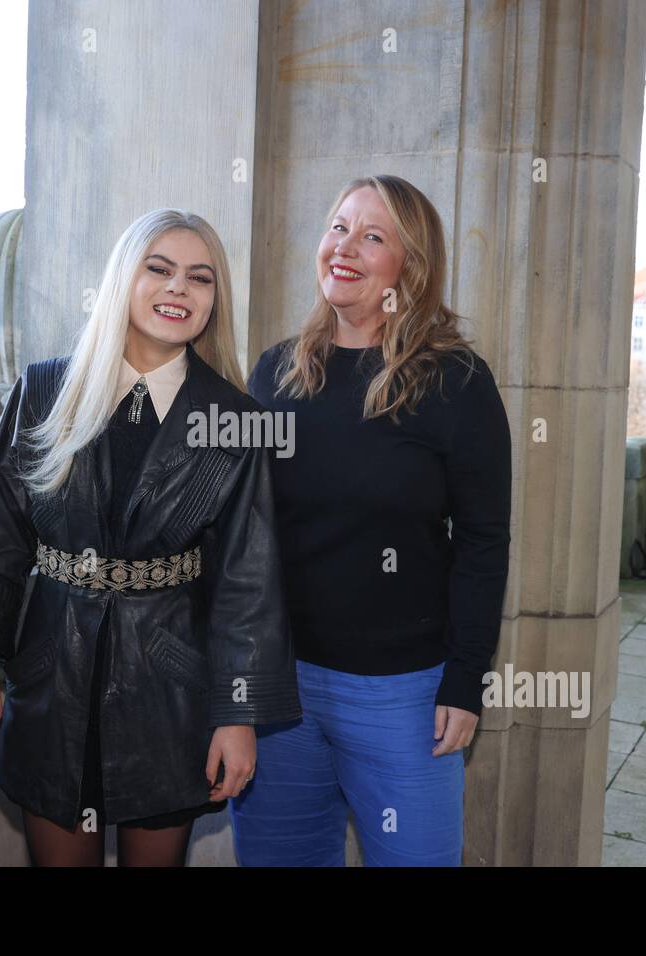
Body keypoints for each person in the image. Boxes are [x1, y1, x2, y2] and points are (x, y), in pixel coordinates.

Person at [0, 208, 300, 867]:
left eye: (200, 278)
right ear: (122, 280)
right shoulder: (45, 389)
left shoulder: (236, 421)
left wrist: (238, 715)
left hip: (172, 692)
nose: (178, 289)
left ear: (214, 301)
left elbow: (247, 583)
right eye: (159, 269)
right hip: (53, 676)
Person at [231, 174, 512, 867]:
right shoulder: (276, 374)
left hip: (403, 696)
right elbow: (242, 532)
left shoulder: (456, 383)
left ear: (409, 268)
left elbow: (483, 541)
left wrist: (465, 680)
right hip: (278, 689)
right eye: (338, 227)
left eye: (373, 235)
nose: (345, 247)